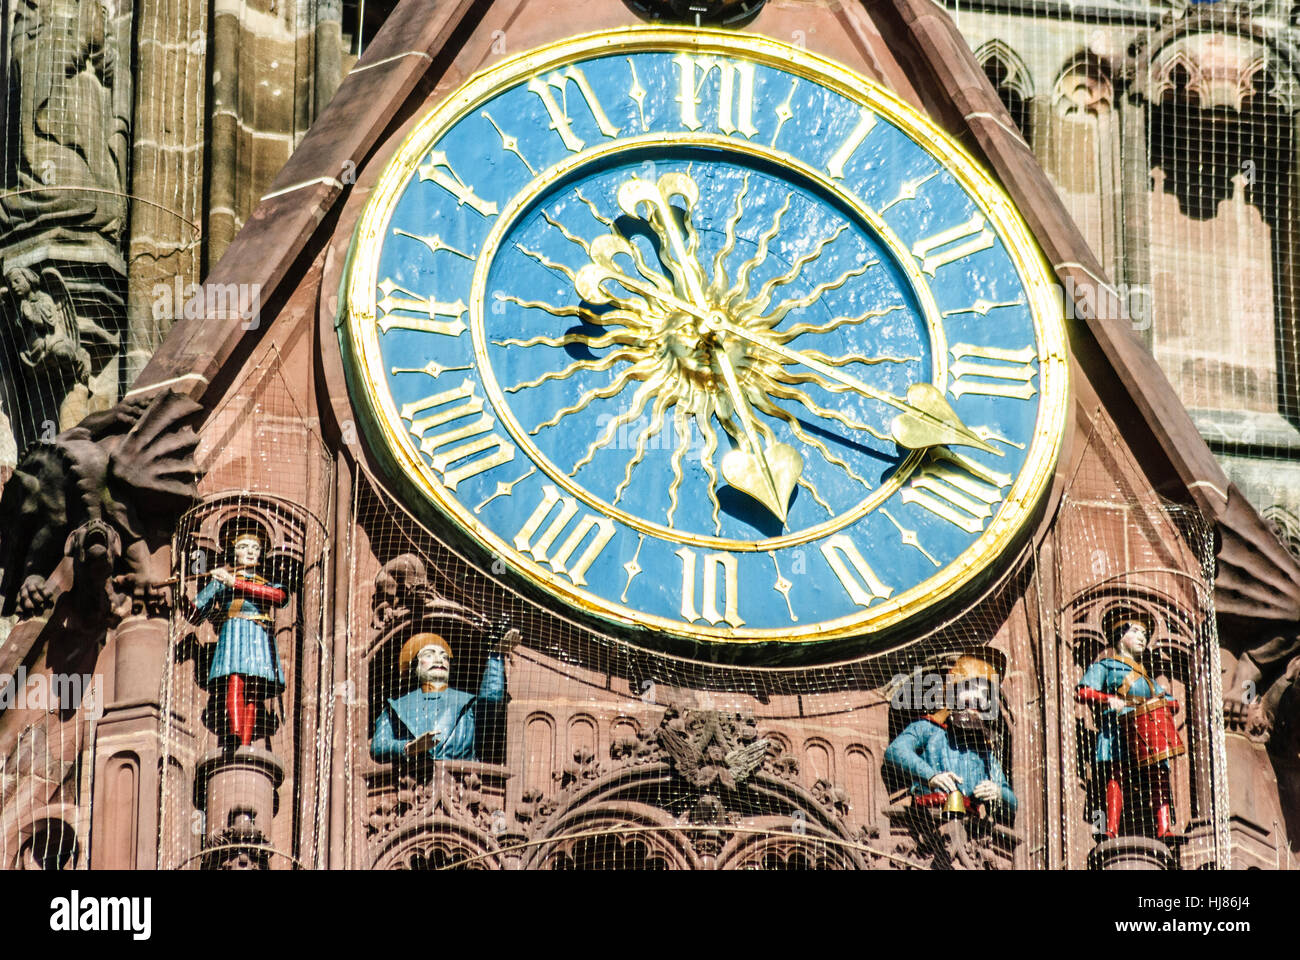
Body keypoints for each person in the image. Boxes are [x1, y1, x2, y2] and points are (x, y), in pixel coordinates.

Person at [1076, 608, 1179, 839]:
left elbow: (1175, 703)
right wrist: (1108, 698)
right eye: (1136, 631)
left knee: (1159, 773)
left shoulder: (1148, 679)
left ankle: (1164, 828)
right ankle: (1111, 828)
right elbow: (1082, 692)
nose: (1142, 637)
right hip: (1118, 726)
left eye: (1144, 633)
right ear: (1120, 636)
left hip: (1147, 726)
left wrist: (1161, 703)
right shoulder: (1105, 666)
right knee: (1116, 774)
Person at [191, 521, 288, 747]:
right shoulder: (221, 581)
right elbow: (195, 613)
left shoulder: (264, 582)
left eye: (255, 549)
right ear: (233, 552)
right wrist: (176, 595)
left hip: (258, 634)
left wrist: (234, 582)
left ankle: (245, 740)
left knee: (254, 688)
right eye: (244, 547)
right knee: (235, 680)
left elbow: (279, 597)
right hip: (233, 632)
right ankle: (234, 731)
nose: (250, 552)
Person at [884, 655, 1016, 820]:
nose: (977, 699)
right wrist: (931, 777)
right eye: (969, 689)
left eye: (984, 694)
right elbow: (895, 751)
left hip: (971, 826)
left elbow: (1013, 802)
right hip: (928, 817)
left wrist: (998, 792)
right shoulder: (928, 728)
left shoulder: (983, 751)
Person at [370, 622, 519, 763]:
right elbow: (378, 746)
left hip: (463, 781)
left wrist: (495, 656)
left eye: (444, 656)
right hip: (411, 781)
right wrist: (409, 747)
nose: (439, 660)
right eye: (429, 654)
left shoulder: (468, 703)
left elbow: (492, 700)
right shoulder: (395, 707)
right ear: (415, 666)